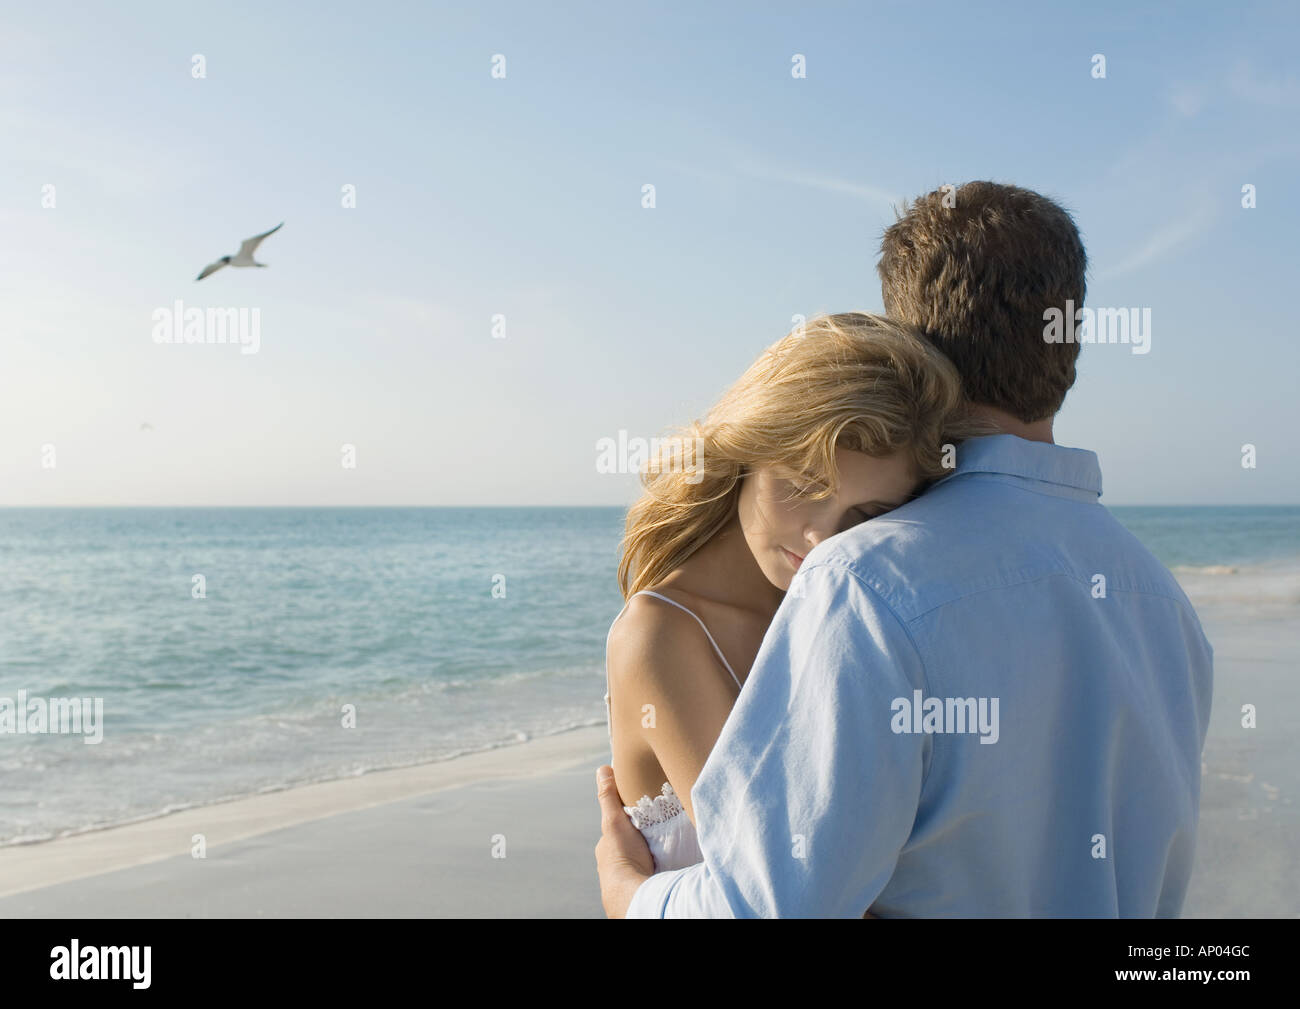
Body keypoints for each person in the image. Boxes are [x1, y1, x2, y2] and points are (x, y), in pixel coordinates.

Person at [595, 181, 1215, 918]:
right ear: (1070, 340)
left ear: (914, 347)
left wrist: (632, 898)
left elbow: (773, 902)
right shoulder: (1162, 603)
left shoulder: (866, 583)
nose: (821, 530)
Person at [604, 312, 997, 875]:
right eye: (805, 484)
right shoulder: (660, 635)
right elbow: (786, 889)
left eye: (868, 513)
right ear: (748, 449)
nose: (822, 537)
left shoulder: (846, 616)